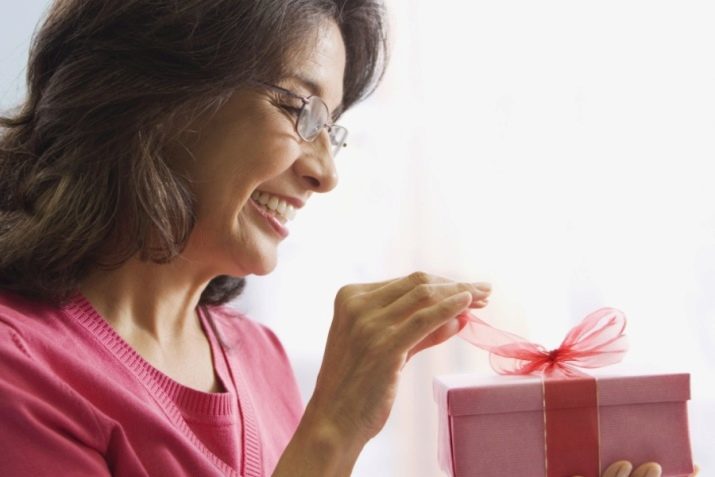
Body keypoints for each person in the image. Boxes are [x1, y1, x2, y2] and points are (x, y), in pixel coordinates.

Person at [0, 1, 695, 476]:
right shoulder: (20, 374)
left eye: (331, 128)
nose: (324, 173)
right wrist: (332, 430)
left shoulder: (256, 356)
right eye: (299, 109)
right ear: (154, 90)